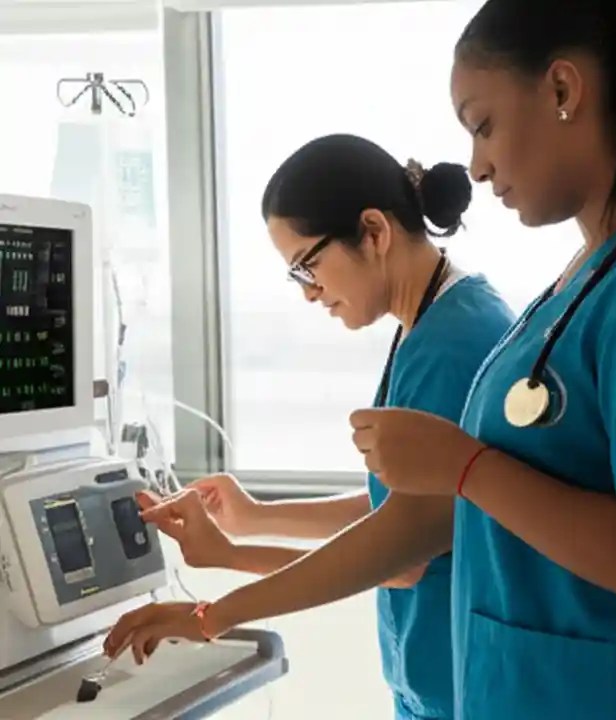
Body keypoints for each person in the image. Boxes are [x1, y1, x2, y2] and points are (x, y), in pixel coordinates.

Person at [345, 1, 616, 718]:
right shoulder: (595, 275)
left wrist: (463, 466)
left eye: (484, 125)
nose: (478, 166)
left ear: (562, 91)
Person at [104, 133, 515, 720]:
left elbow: (399, 556)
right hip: (442, 681)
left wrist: (211, 613)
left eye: (308, 265)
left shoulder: (451, 346)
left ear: (373, 232)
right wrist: (251, 521)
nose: (310, 293)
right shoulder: (435, 319)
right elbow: (400, 508)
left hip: (464, 689)